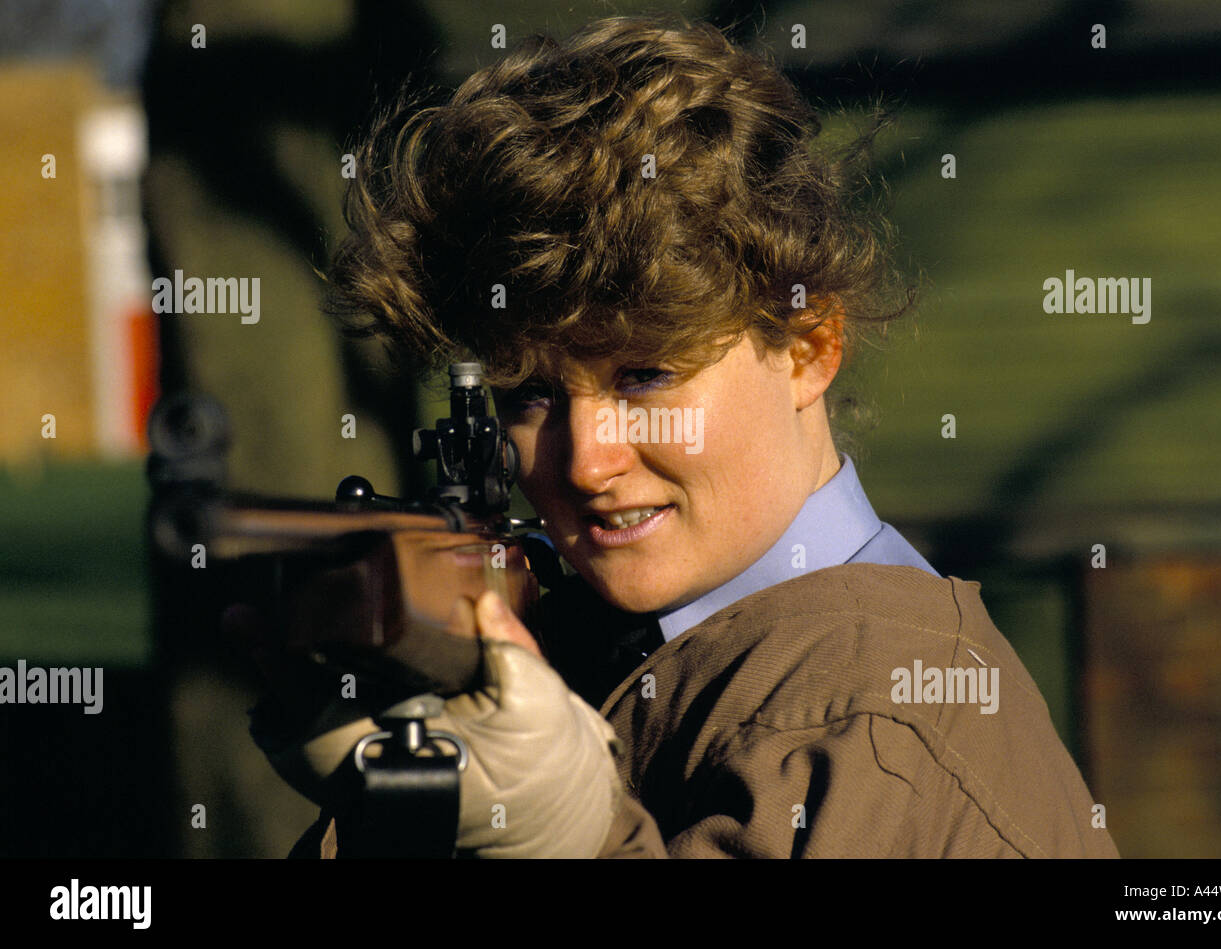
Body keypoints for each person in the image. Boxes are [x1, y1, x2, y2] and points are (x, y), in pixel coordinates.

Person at [264, 15, 1118, 858]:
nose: (587, 461)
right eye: (529, 395)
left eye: (645, 377)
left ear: (809, 346)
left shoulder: (881, 715)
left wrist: (557, 823)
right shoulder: (621, 645)